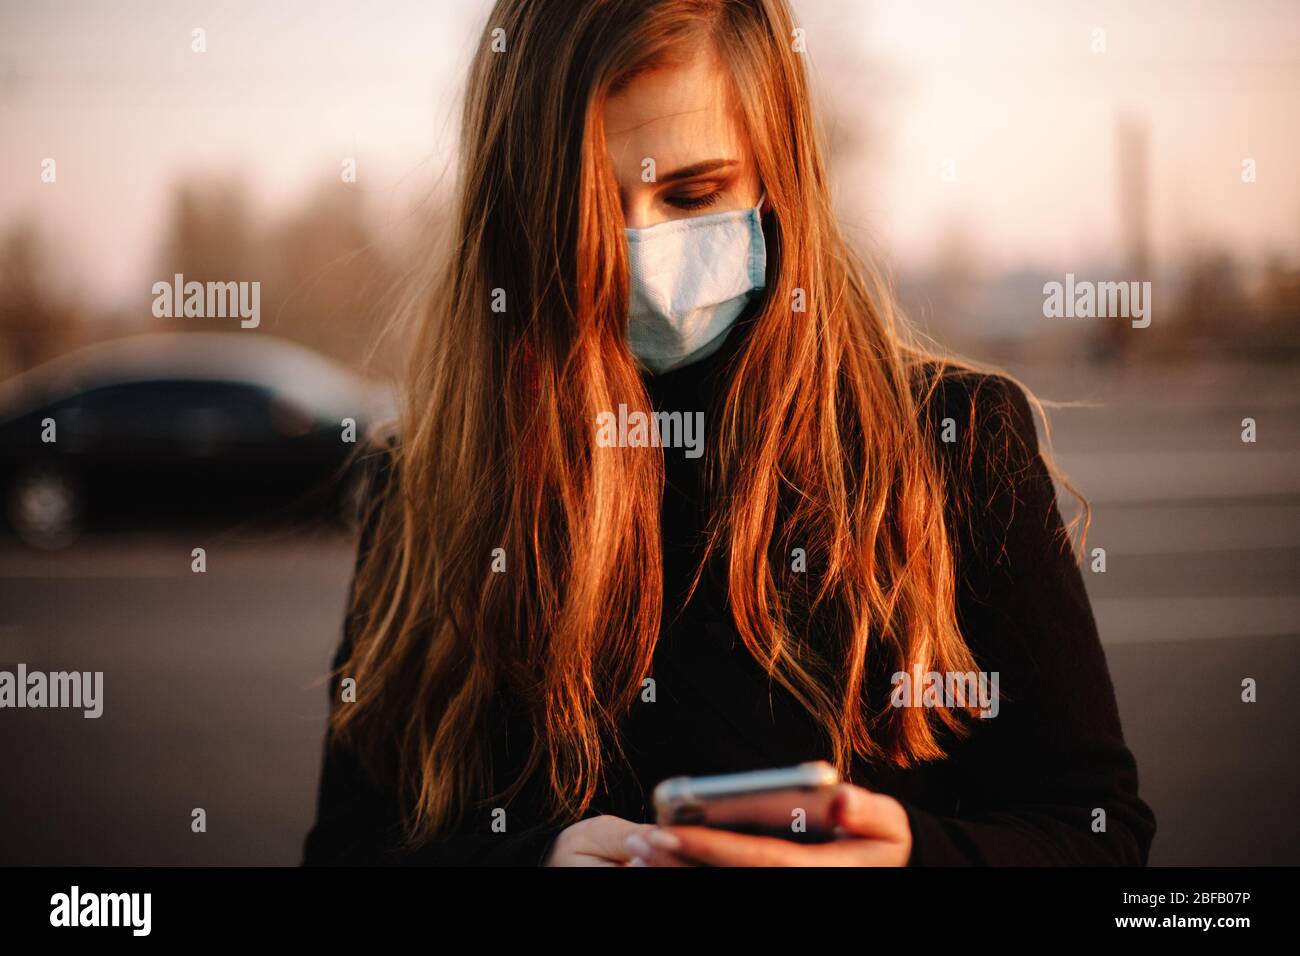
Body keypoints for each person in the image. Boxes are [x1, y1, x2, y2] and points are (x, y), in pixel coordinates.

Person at [302, 0, 1155, 867]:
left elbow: (1096, 830)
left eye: (693, 193)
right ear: (513, 207)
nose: (638, 247)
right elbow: (343, 852)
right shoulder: (425, 481)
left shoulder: (953, 443)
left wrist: (909, 858)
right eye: (586, 203)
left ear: (778, 173)